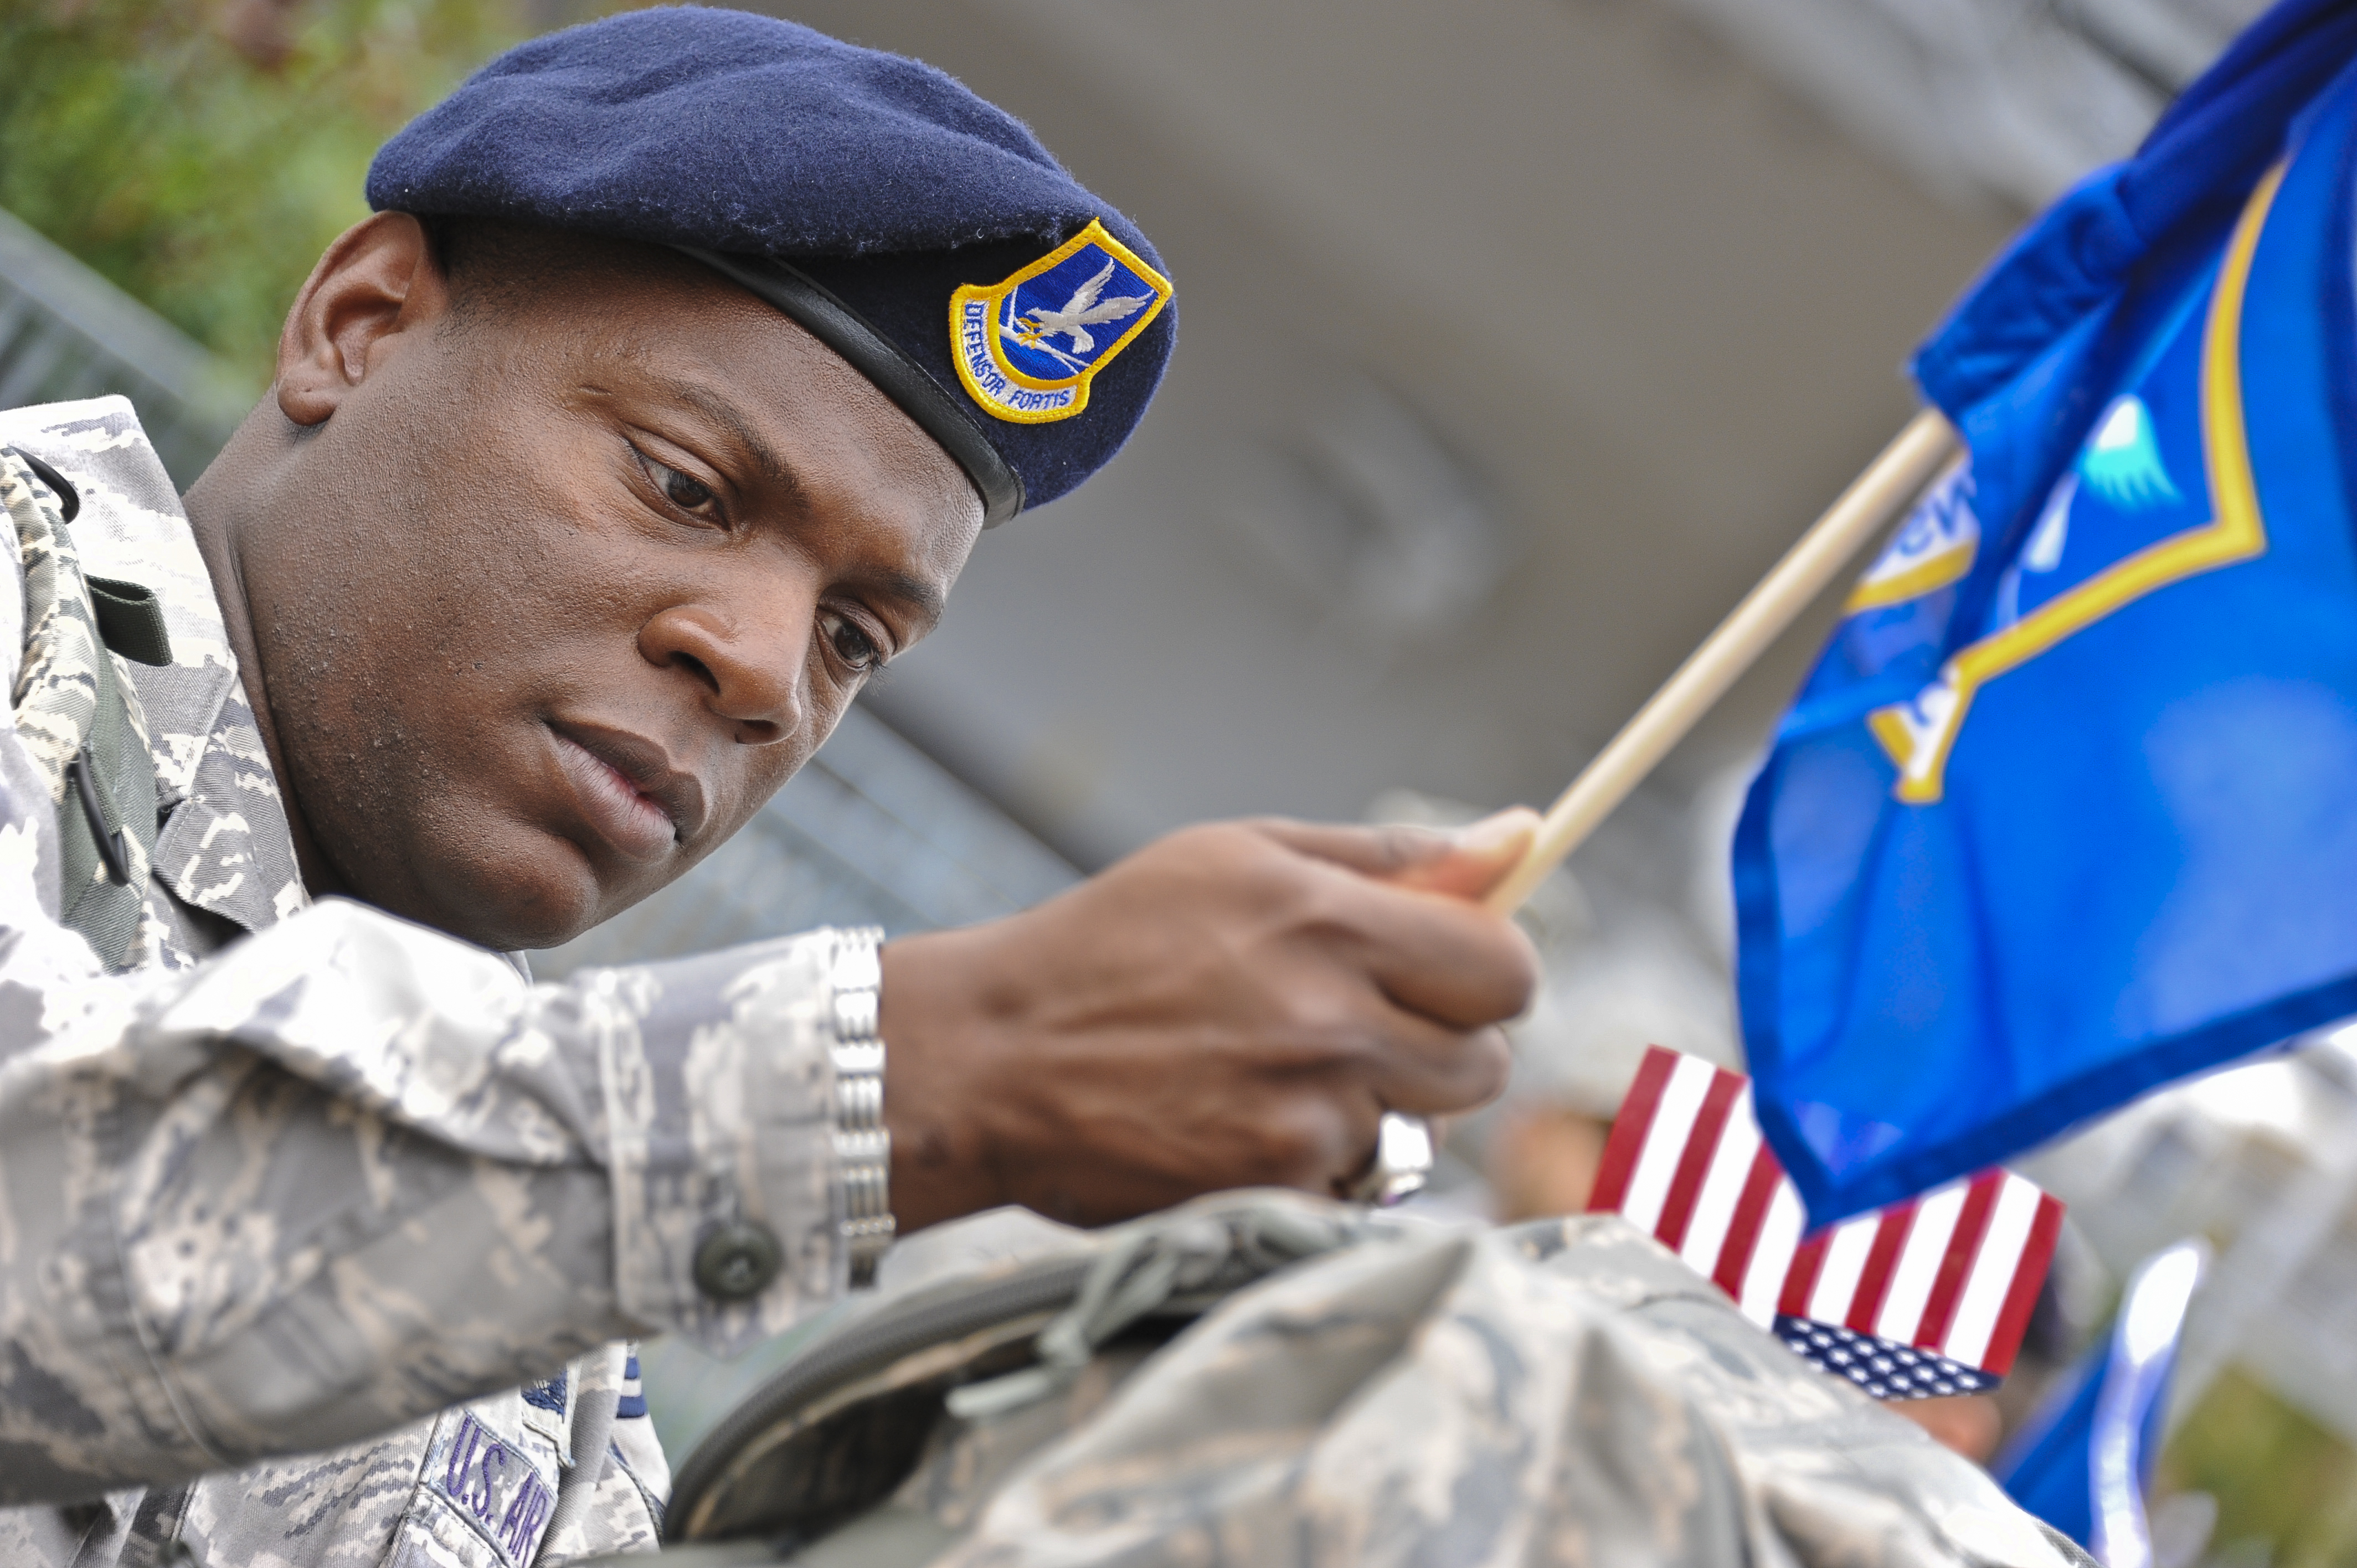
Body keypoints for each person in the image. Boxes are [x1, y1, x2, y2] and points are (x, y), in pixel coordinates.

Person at [0, 9, 1538, 1565]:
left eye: (854, 636)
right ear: (364, 324)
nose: (765, 672)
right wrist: (934, 1070)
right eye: (685, 486)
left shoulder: (539, 1327)